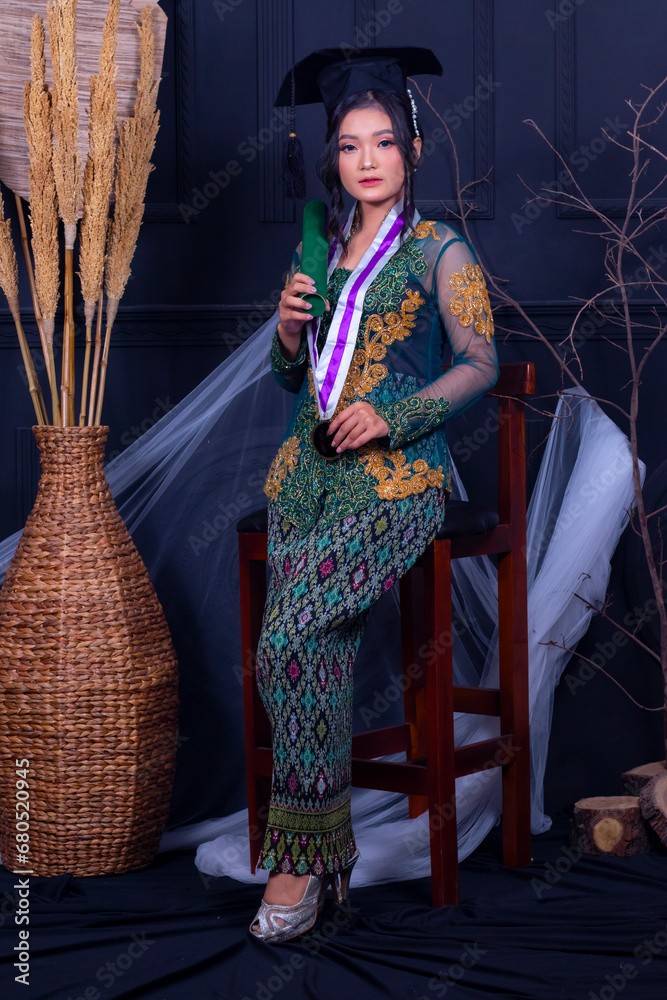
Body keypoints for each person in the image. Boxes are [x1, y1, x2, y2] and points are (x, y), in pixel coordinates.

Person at [248, 47, 499, 943]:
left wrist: (391, 416)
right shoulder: (318, 243)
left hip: (395, 485)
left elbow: (481, 364)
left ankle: (299, 864)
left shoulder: (439, 249)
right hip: (309, 477)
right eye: (350, 145)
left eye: (383, 142)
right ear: (334, 158)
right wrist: (284, 331)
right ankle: (325, 859)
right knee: (300, 653)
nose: (366, 160)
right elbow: (294, 380)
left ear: (412, 151)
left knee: (288, 638)